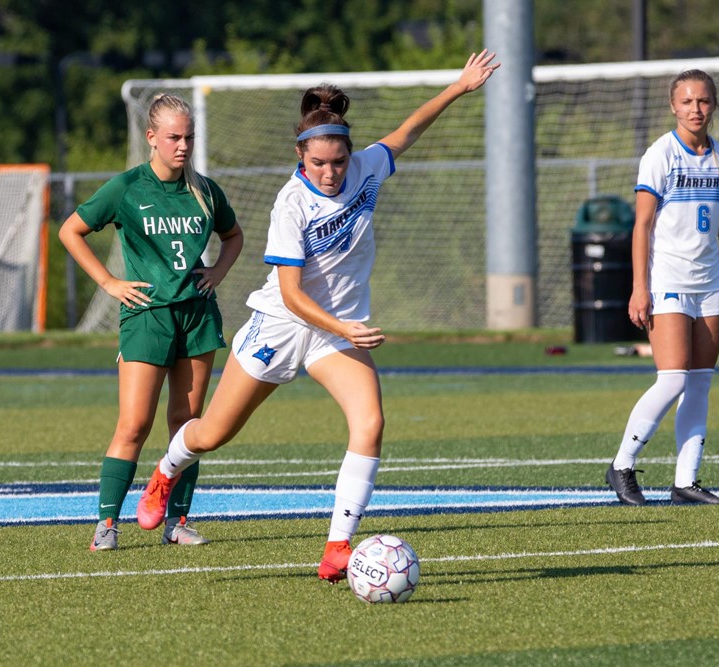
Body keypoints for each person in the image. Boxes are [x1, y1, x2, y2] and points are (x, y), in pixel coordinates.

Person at [134, 50, 499, 581]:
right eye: (318, 164)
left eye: (339, 162)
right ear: (301, 158)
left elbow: (408, 129)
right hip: (283, 325)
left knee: (370, 423)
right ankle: (166, 473)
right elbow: (292, 294)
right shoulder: (291, 205)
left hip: (335, 335)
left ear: (351, 155)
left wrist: (460, 87)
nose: (330, 173)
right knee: (211, 432)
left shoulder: (367, 167)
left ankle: (337, 546)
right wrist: (344, 326)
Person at [59, 93, 244, 550]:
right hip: (146, 318)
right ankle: (106, 525)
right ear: (152, 138)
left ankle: (176, 522)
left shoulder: (204, 190)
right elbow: (71, 230)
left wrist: (217, 272)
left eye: (189, 137)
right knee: (134, 424)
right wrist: (108, 282)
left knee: (188, 425)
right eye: (174, 137)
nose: (183, 146)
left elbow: (233, 235)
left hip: (197, 317)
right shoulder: (127, 188)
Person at [605, 69, 719, 506]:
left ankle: (686, 482)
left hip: (709, 287)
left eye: (703, 101)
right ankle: (622, 466)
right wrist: (638, 288)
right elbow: (642, 226)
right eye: (686, 101)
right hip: (667, 281)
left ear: (714, 105)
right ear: (673, 106)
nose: (695, 109)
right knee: (672, 378)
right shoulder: (660, 155)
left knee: (700, 383)